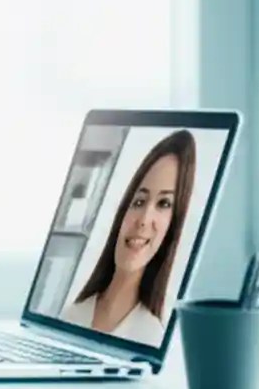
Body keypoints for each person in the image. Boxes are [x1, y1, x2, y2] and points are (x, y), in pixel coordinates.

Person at [59, 129, 197, 345]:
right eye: (139, 201)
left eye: (164, 204)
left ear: (174, 226)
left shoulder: (152, 337)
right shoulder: (72, 315)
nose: (143, 219)